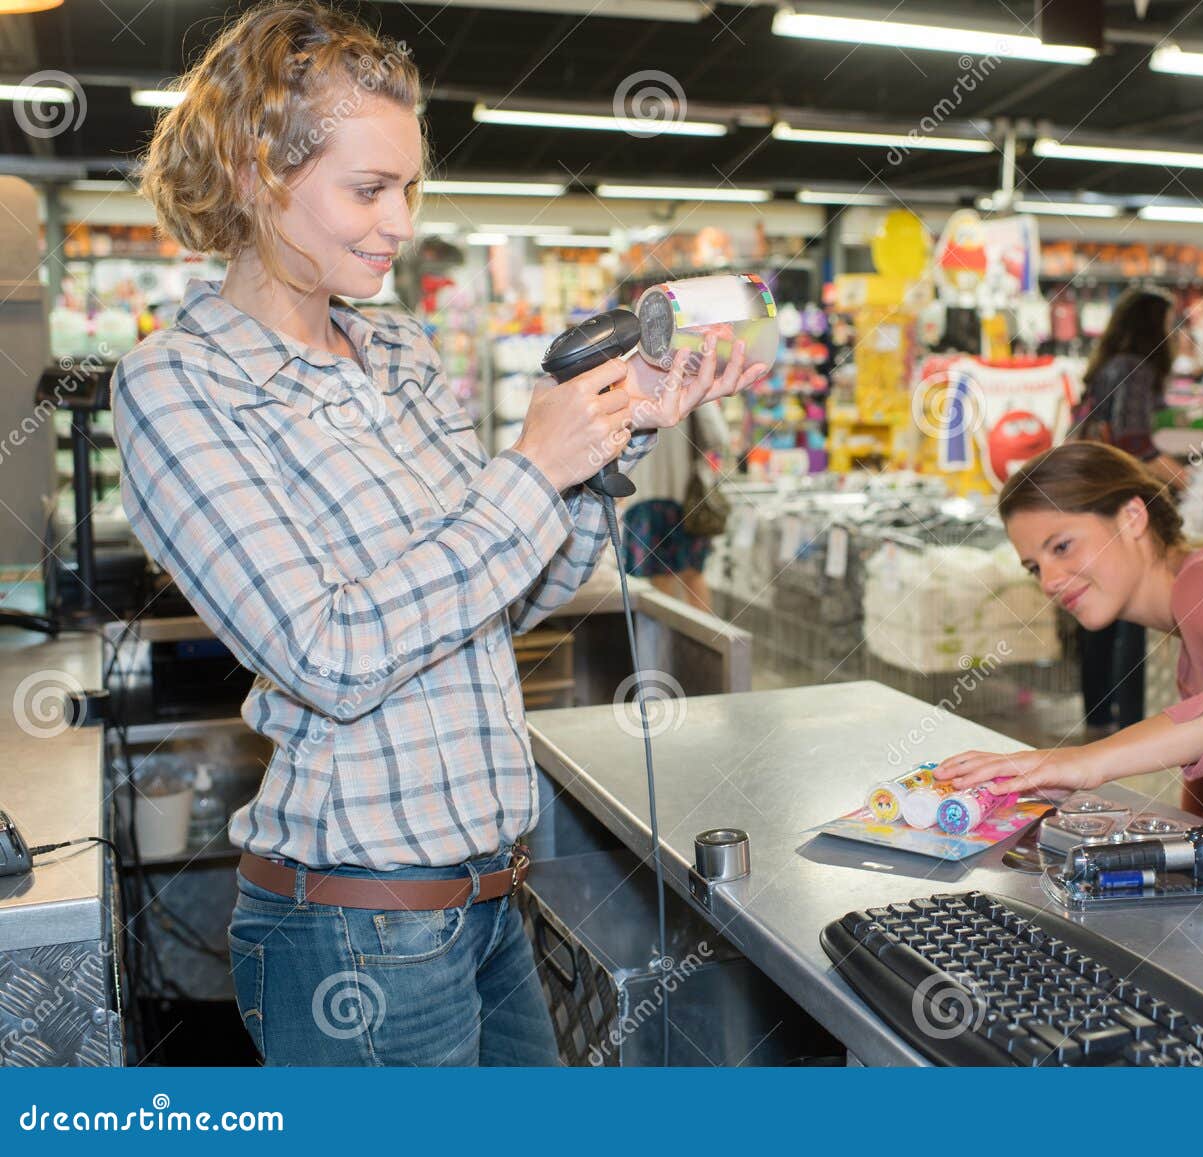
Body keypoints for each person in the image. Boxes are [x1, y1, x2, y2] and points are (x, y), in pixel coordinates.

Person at [112, 2, 766, 1066]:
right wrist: (528, 467)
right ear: (251, 172)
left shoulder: (403, 354)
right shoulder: (179, 385)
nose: (399, 219)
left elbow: (500, 598)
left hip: (490, 898)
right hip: (350, 932)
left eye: (410, 185)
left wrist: (606, 446)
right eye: (367, 188)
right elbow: (329, 653)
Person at [935, 442, 1203, 823]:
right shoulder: (1196, 633)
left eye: (1062, 547)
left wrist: (1086, 761)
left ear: (1132, 517)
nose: (1049, 581)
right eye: (1034, 567)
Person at [1069, 288, 1187, 738]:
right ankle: (1130, 725)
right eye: (1170, 321)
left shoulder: (1109, 365)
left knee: (1097, 609)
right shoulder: (1136, 368)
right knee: (1131, 610)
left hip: (1093, 496)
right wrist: (1179, 473)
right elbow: (1134, 440)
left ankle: (1098, 718)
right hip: (1120, 501)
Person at [621, 393, 732, 613]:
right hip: (685, 498)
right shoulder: (692, 382)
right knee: (693, 575)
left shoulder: (632, 384)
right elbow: (719, 437)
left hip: (643, 496)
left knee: (659, 582)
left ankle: (667, 644)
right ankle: (704, 644)